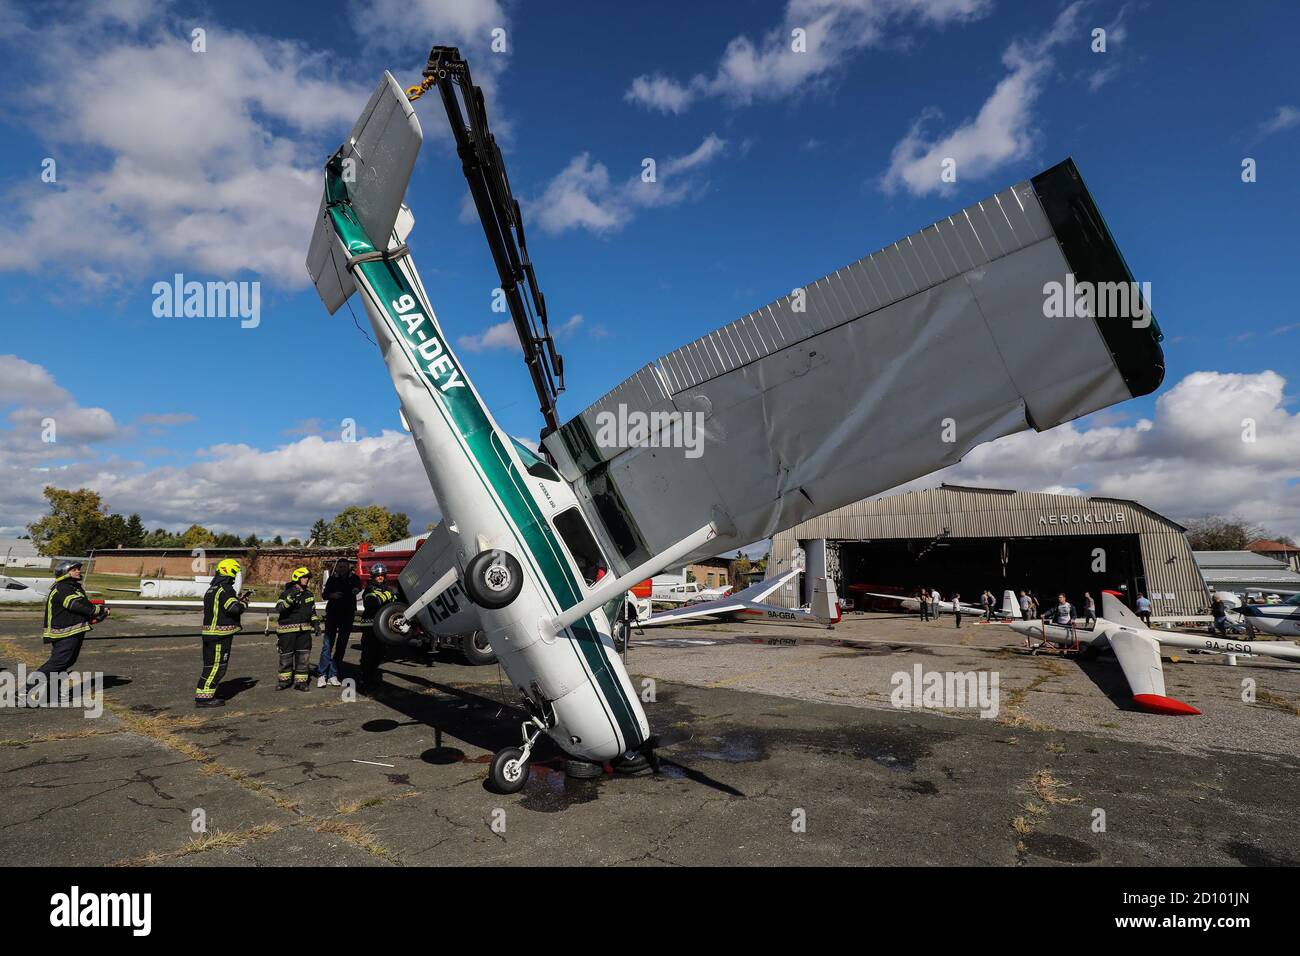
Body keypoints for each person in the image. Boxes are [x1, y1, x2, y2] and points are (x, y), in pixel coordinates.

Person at [29, 559, 107, 703]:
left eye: (78, 569)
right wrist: (97, 610)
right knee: (58, 662)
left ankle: (52, 693)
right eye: (74, 569)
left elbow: (79, 609)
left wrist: (95, 616)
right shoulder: (63, 587)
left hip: (72, 630)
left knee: (66, 662)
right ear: (65, 572)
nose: (78, 571)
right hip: (63, 632)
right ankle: (25, 691)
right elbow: (75, 604)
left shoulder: (73, 587)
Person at [196, 558, 251, 708]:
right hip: (220, 636)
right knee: (218, 667)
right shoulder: (226, 589)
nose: (235, 577)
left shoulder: (212, 589)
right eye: (234, 573)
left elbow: (221, 608)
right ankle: (203, 699)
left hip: (209, 634)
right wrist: (244, 603)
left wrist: (237, 600)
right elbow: (233, 609)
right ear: (230, 572)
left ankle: (206, 693)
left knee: (209, 666)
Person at [318, 558, 362, 687]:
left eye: (345, 567)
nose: (342, 569)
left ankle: (333, 674)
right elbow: (324, 595)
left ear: (348, 567)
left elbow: (359, 588)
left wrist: (356, 590)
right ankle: (322, 674)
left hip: (347, 615)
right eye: (340, 567)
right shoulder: (332, 579)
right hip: (333, 614)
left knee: (341, 646)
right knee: (327, 645)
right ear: (337, 568)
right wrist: (332, 595)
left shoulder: (354, 578)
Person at [275, 567, 317, 691]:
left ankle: (301, 682)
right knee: (286, 656)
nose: (307, 580)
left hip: (304, 631)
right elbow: (279, 608)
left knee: (303, 657)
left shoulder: (309, 594)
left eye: (307, 578)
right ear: (297, 578)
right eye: (304, 577)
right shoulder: (287, 592)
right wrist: (290, 599)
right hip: (287, 631)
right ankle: (284, 681)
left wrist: (316, 624)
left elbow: (312, 611)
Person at [358, 564, 396, 693]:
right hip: (370, 627)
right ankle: (364, 682)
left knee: (379, 654)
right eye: (377, 575)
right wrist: (388, 594)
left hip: (382, 628)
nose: (380, 577)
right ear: (373, 576)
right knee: (368, 655)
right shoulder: (369, 589)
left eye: (382, 575)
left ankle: (373, 678)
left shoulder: (388, 589)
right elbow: (372, 603)